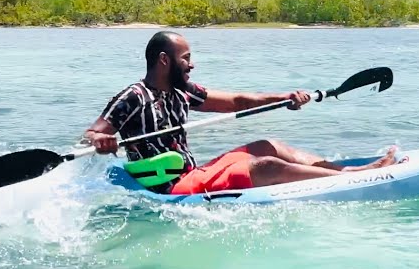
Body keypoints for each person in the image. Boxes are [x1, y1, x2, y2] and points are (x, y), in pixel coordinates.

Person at [83, 31, 398, 194]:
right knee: (266, 165)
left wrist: (285, 97)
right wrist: (100, 141)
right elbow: (91, 135)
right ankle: (356, 180)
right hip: (171, 187)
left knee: (268, 146)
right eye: (186, 58)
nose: (191, 65)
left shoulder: (182, 91)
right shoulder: (133, 97)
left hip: (194, 174)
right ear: (164, 61)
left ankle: (343, 173)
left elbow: (237, 102)